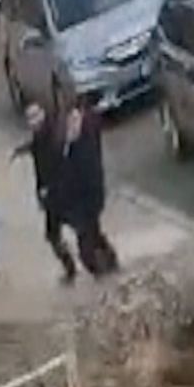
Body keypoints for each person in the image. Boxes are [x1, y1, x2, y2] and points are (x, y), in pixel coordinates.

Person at [11, 103, 78, 284]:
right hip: (51, 195)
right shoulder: (40, 136)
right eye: (29, 118)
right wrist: (22, 150)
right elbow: (35, 147)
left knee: (71, 229)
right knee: (54, 234)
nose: (32, 121)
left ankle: (90, 258)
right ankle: (71, 267)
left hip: (59, 193)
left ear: (43, 114)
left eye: (35, 116)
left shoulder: (52, 138)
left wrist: (48, 189)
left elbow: (57, 165)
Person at [58, 95, 118, 277]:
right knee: (94, 235)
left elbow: (82, 174)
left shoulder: (84, 144)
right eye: (70, 121)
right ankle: (110, 263)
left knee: (86, 245)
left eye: (75, 120)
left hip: (87, 200)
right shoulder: (75, 142)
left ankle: (102, 272)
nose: (72, 125)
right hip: (82, 201)